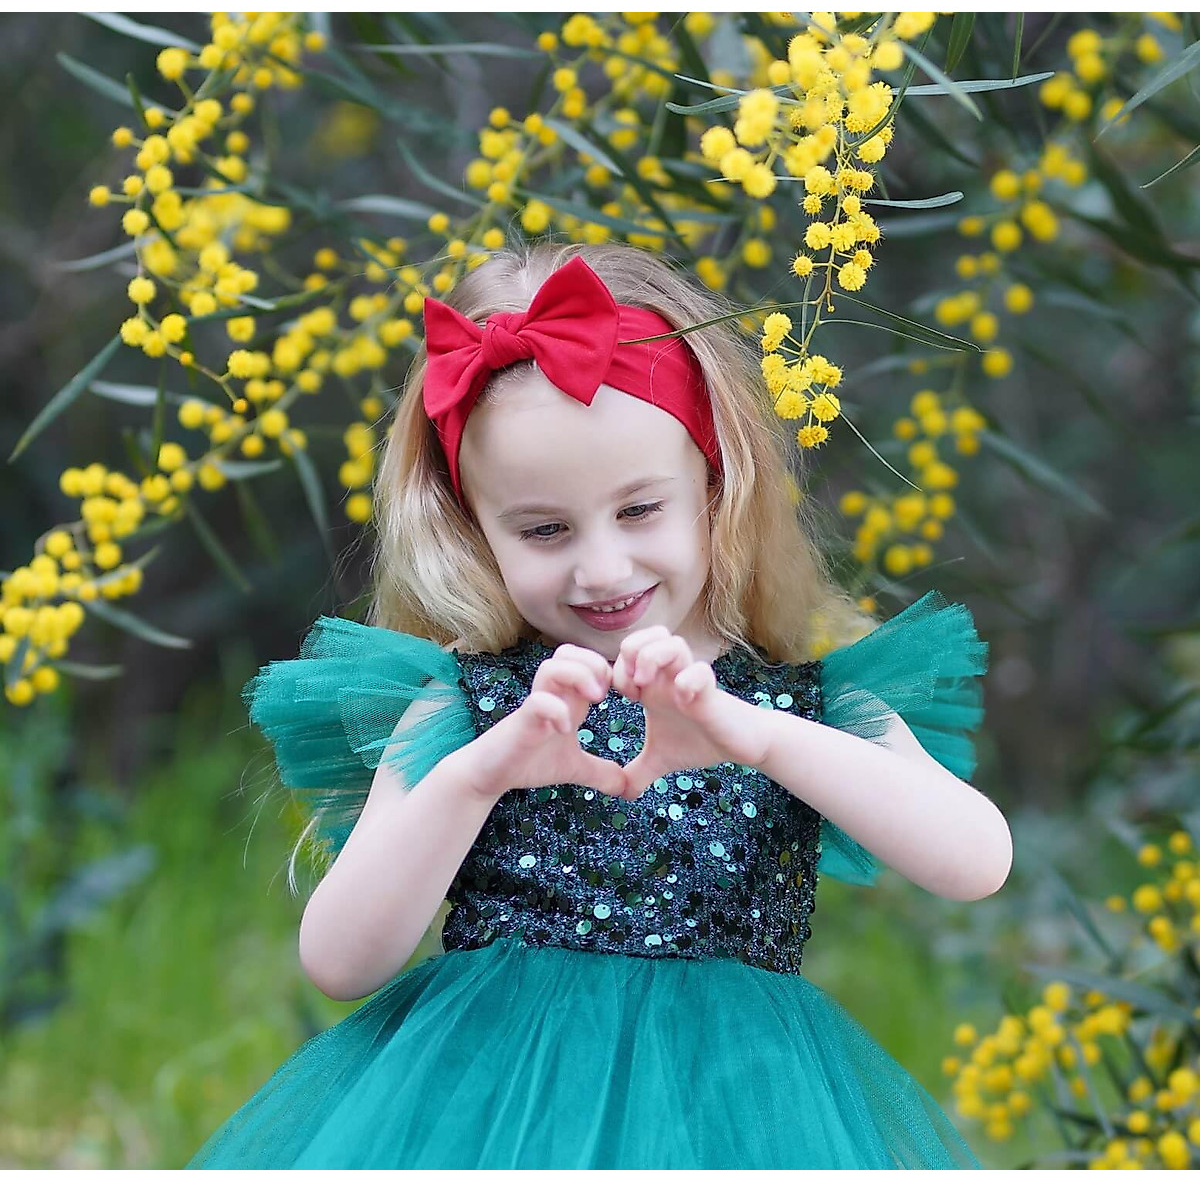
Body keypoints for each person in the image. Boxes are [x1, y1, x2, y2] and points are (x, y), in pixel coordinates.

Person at [187, 242, 1010, 1170]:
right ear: (472, 528)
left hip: (733, 1110)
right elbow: (341, 963)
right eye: (543, 528)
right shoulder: (466, 707)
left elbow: (975, 859)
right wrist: (479, 773)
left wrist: (757, 735)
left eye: (640, 510)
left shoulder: (799, 706)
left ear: (715, 486)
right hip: (493, 1110)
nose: (602, 568)